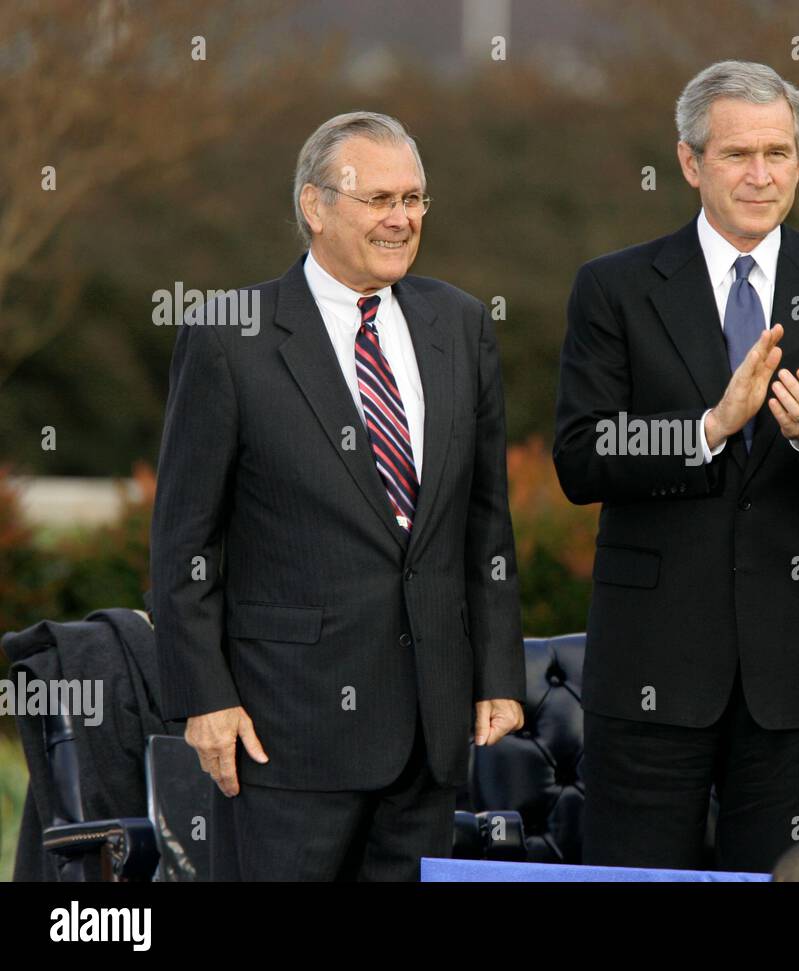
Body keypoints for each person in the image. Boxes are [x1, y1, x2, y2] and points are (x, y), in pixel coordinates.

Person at [553, 60, 799, 872]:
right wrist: (709, 428)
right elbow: (582, 456)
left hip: (794, 674)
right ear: (689, 163)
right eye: (736, 155)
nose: (761, 175)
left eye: (779, 153)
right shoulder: (614, 288)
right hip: (651, 670)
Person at [150, 111, 525, 880]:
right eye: (379, 199)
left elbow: (485, 520)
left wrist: (496, 675)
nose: (402, 219)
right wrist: (203, 698)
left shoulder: (460, 322)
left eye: (416, 199)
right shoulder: (230, 334)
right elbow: (184, 538)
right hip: (283, 734)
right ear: (315, 207)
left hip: (429, 731)